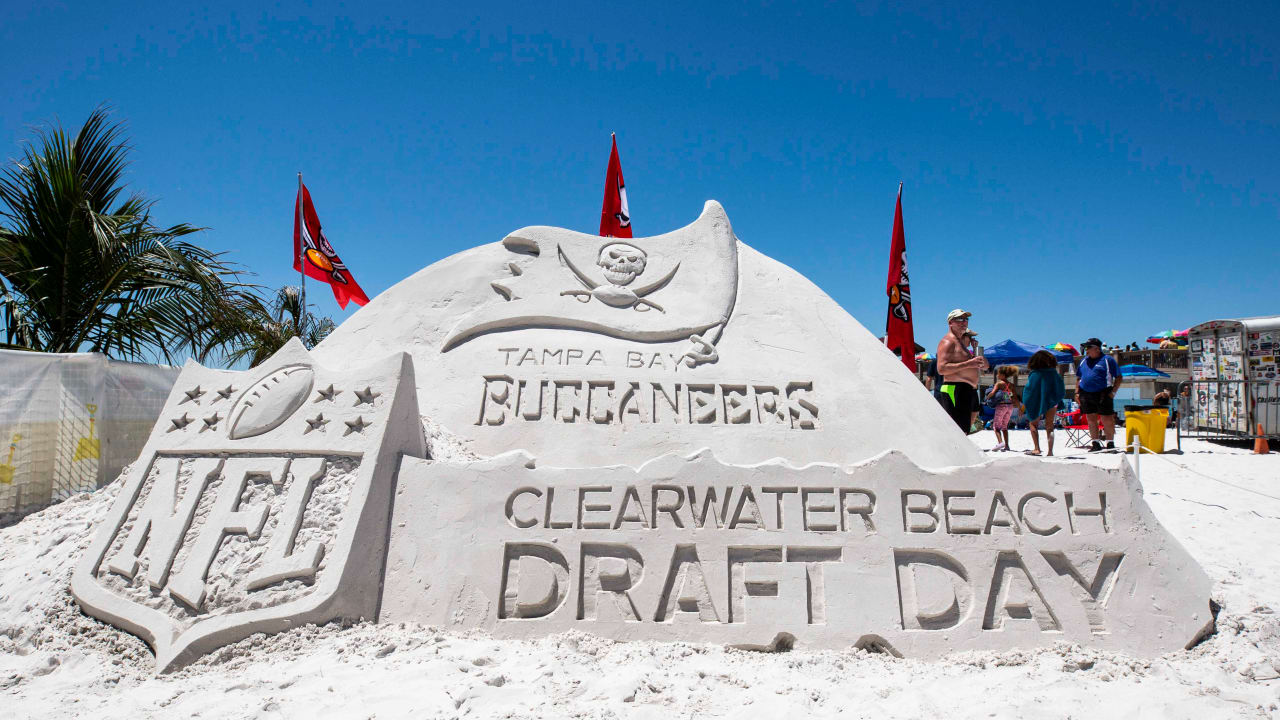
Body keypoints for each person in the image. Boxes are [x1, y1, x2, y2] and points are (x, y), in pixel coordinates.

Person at [936, 309, 987, 434]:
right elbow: (941, 368)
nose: (964, 322)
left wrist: (976, 353)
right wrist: (968, 364)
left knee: (963, 430)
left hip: (965, 389)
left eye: (965, 319)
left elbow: (985, 367)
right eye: (959, 319)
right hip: (953, 389)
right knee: (956, 431)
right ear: (950, 323)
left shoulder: (960, 343)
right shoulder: (948, 342)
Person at [1075, 337, 1123, 451]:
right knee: (1091, 418)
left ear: (1096, 348)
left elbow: (1119, 377)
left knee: (1107, 419)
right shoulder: (1083, 360)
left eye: (1088, 347)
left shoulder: (1108, 360)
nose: (1086, 350)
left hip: (1103, 393)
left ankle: (1110, 443)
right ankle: (1095, 443)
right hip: (1086, 393)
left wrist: (1113, 392)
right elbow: (1078, 378)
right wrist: (1077, 392)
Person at [1023, 349, 1065, 456]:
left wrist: (1026, 402)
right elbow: (1060, 387)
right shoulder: (1053, 373)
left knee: (1033, 423)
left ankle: (1036, 448)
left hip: (1036, 401)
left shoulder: (1034, 374)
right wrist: (1057, 398)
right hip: (1052, 401)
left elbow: (1029, 390)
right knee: (1050, 426)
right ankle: (1050, 451)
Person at [987, 365, 1019, 451]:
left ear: (1003, 375)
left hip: (1001, 406)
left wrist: (987, 397)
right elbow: (1014, 397)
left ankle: (1000, 443)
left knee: (996, 427)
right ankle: (1007, 445)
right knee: (1004, 427)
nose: (997, 375)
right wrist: (1019, 407)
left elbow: (992, 393)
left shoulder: (999, 384)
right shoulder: (1011, 385)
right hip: (1010, 406)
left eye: (999, 374)